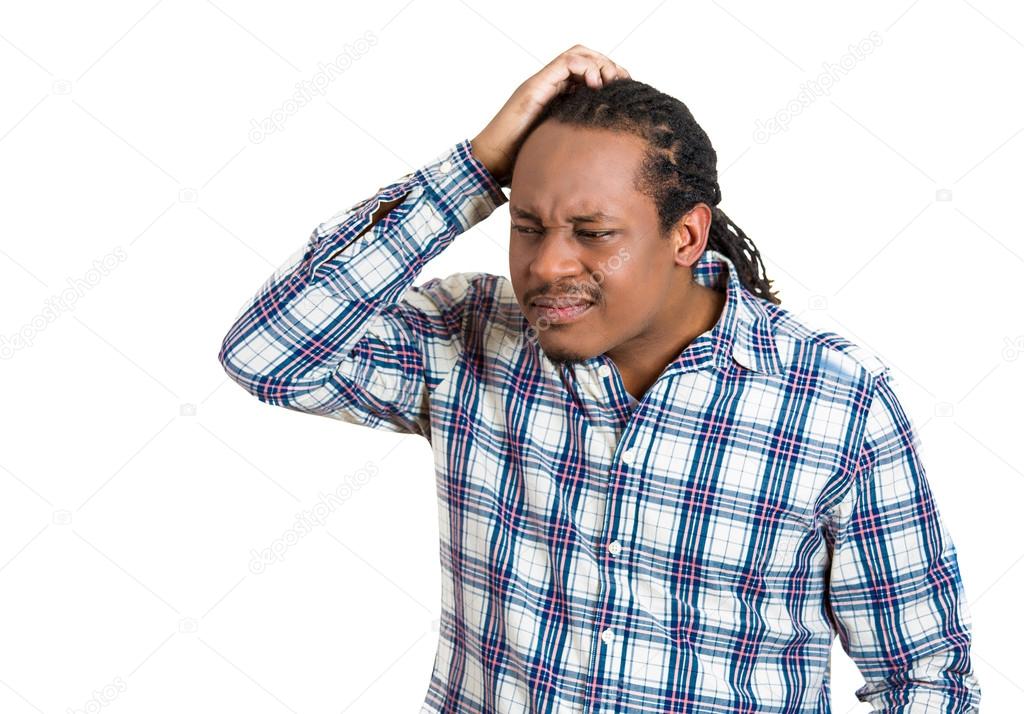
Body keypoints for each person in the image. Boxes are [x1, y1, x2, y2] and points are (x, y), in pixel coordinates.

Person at [218, 44, 981, 713]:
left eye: (593, 234)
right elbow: (268, 352)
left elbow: (924, 678)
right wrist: (476, 168)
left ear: (685, 235)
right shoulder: (466, 338)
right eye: (527, 226)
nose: (547, 266)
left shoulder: (833, 401)